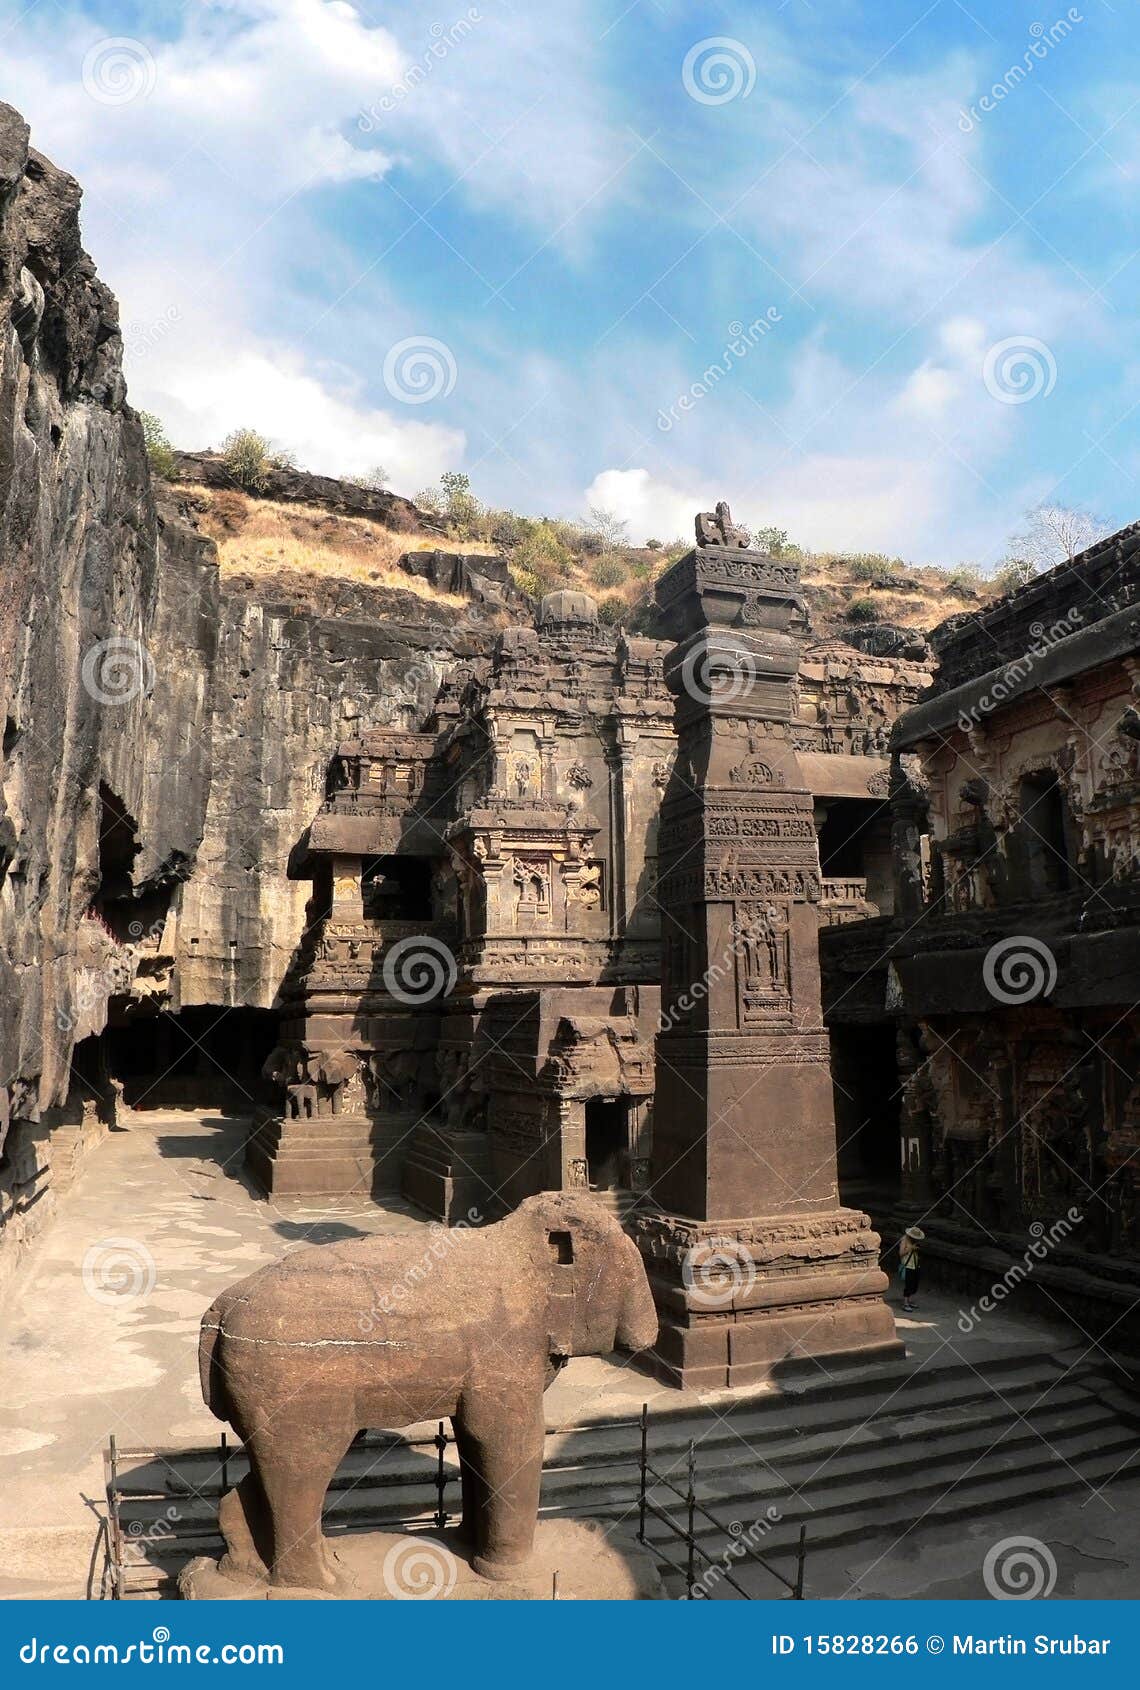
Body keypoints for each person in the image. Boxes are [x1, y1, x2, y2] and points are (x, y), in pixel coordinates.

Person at [899, 1225, 924, 1313]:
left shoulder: (916, 1241)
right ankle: (905, 1303)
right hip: (908, 1265)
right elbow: (901, 1253)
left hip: (916, 1264)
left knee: (914, 1284)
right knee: (908, 1284)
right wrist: (910, 1248)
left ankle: (909, 1300)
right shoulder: (904, 1239)